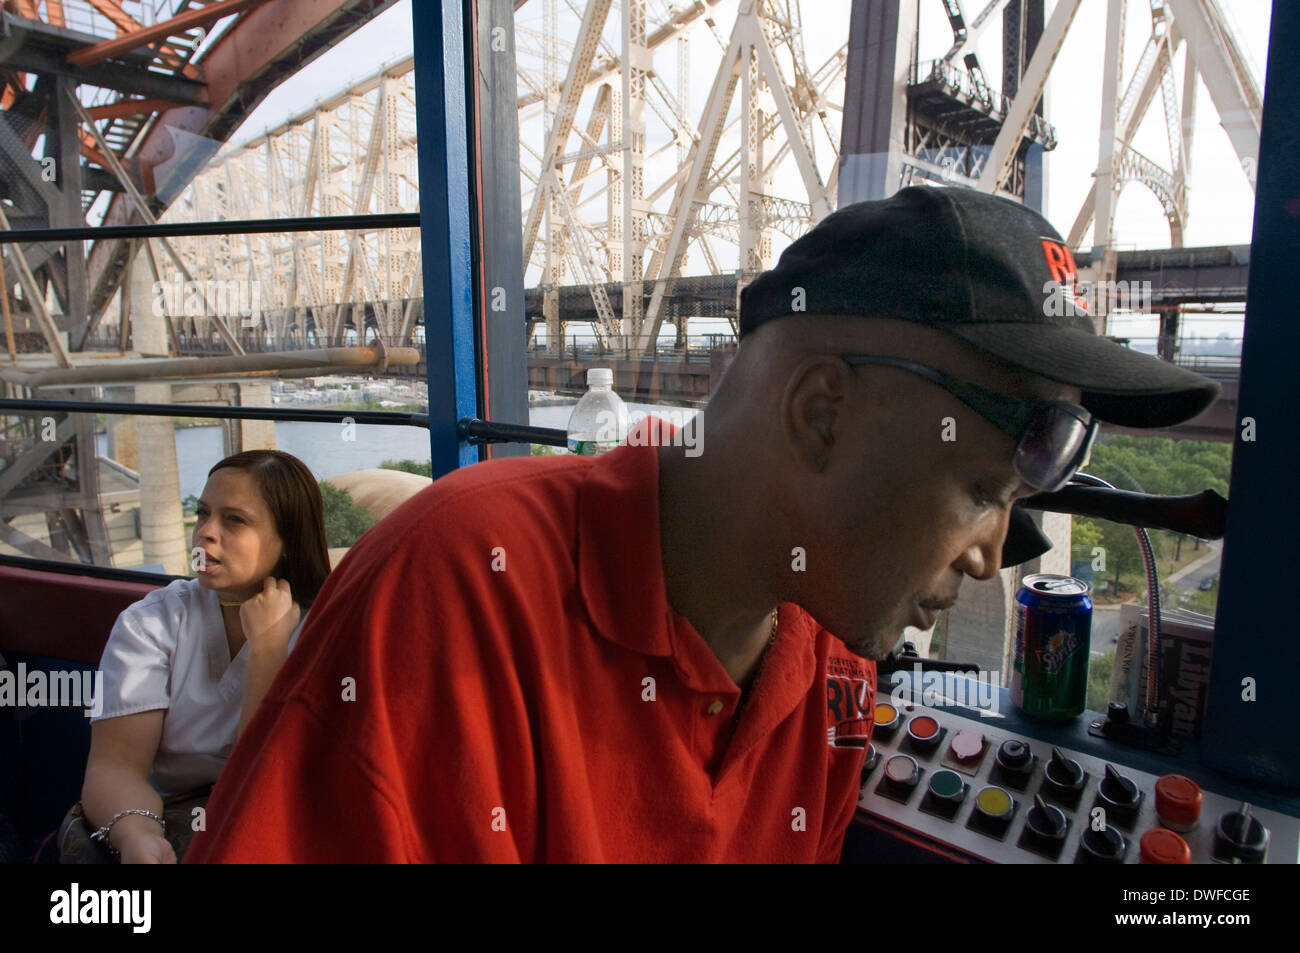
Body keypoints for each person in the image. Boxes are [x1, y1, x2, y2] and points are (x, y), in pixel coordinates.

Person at [185, 186, 1220, 863]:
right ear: (821, 412)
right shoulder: (457, 587)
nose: (995, 553)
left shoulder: (829, 674)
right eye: (984, 489)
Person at [68, 449, 330, 863]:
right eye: (203, 513)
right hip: (165, 817)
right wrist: (138, 837)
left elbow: (265, 780)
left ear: (288, 540)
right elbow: (115, 765)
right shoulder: (151, 622)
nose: (205, 533)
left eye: (234, 520)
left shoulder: (326, 631)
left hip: (278, 819)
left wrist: (267, 652)